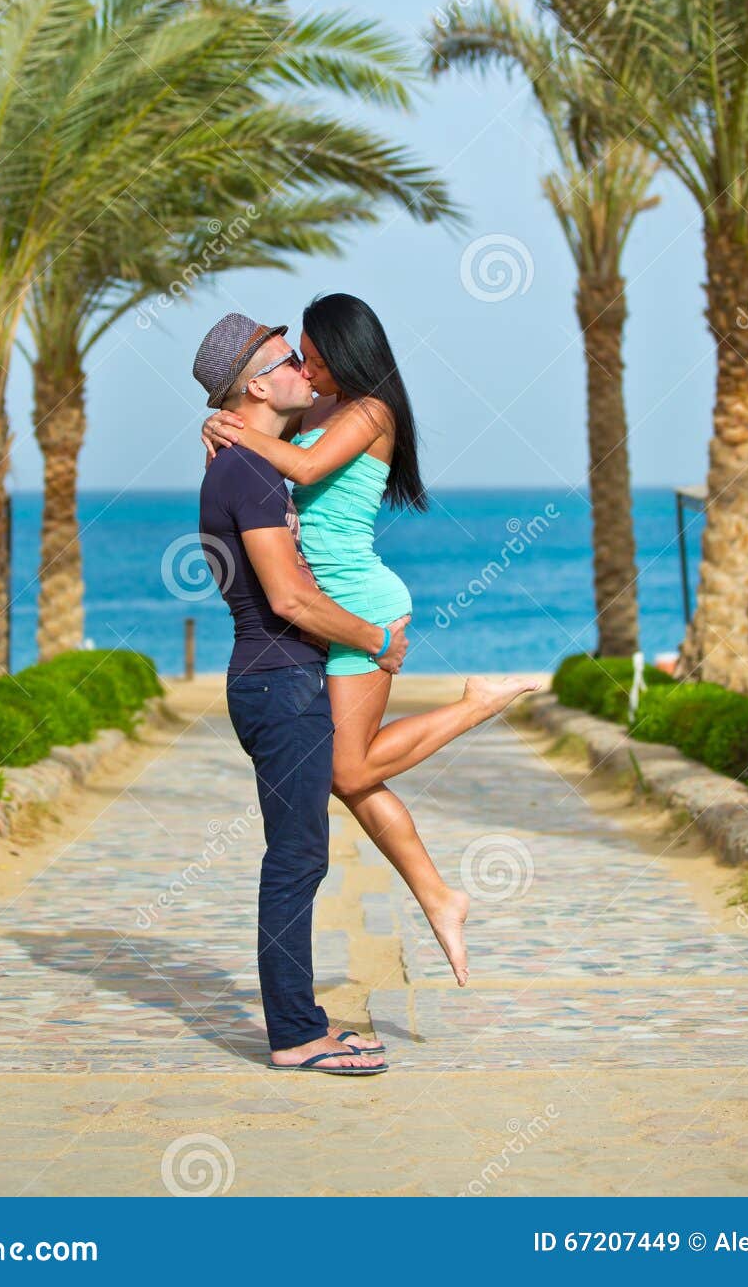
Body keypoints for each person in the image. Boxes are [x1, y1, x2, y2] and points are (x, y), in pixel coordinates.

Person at [201, 295, 538, 987]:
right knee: (345, 774)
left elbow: (302, 470)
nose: (308, 369)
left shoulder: (369, 412)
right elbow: (260, 429)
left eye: (316, 359)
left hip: (358, 605)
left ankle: (474, 704)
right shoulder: (318, 407)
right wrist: (221, 424)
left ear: (346, 355)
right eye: (301, 359)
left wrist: (232, 432)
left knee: (347, 772)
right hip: (325, 610)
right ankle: (440, 898)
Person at [194, 312, 408, 1075]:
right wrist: (374, 638)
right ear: (257, 384)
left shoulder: (250, 463)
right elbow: (288, 599)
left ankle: (304, 1021)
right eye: (290, 361)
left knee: (301, 858)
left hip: (277, 678)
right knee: (294, 862)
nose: (306, 372)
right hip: (278, 680)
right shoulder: (248, 473)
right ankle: (293, 1035)